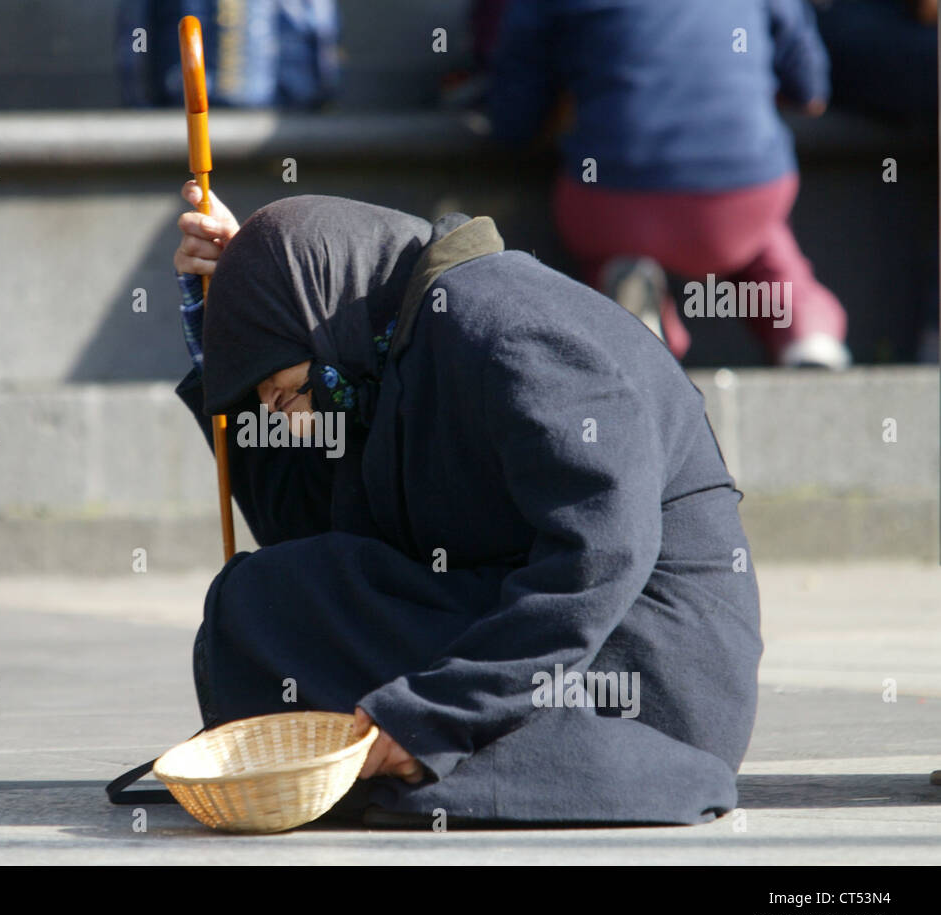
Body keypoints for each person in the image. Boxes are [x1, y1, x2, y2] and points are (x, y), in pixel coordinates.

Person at [168, 182, 763, 825]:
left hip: (647, 677)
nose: (279, 415)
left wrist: (436, 714)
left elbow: (600, 550)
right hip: (549, 624)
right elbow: (309, 531)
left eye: (278, 391)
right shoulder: (392, 352)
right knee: (263, 600)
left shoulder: (507, 329)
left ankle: (519, 762)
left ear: (316, 311)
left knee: (267, 610)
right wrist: (230, 305)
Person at [488, 0, 850, 370]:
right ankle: (803, 325)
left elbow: (514, 122)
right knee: (763, 245)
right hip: (746, 194)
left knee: (613, 250)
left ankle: (633, 317)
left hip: (617, 202)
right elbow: (809, 88)